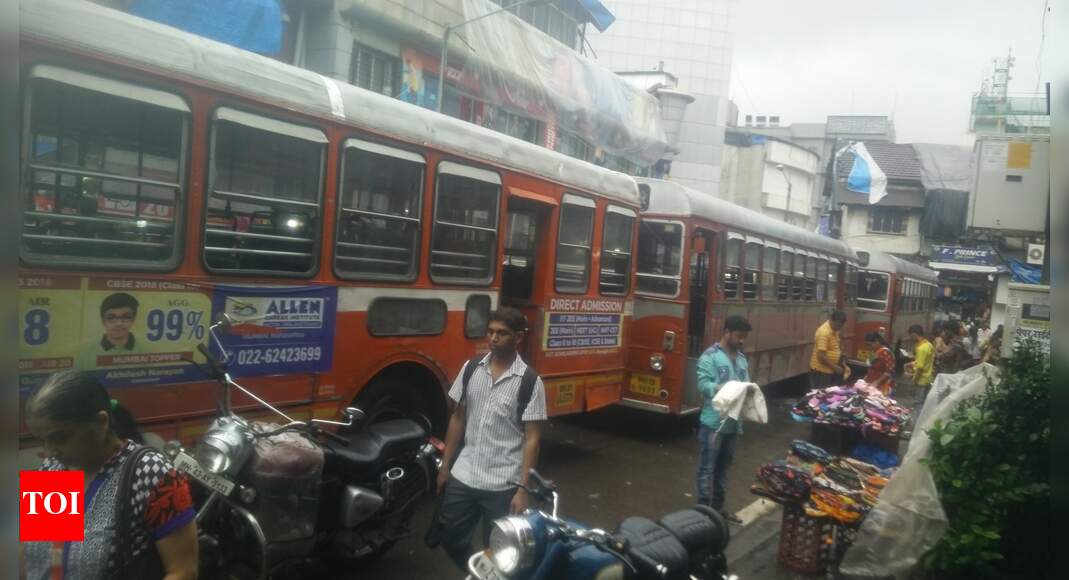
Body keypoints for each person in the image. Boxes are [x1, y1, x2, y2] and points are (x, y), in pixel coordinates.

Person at [20, 371, 198, 580]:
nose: (50, 451)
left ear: (101, 422)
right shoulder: (53, 471)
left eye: (60, 438)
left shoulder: (151, 474)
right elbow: (40, 558)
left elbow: (182, 572)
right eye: (42, 440)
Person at [434, 307, 547, 570]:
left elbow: (532, 440)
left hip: (503, 484)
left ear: (518, 338)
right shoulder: (472, 368)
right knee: (449, 535)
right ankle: (479, 573)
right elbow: (458, 418)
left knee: (499, 551)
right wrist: (445, 464)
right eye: (491, 332)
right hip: (465, 474)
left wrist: (523, 489)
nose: (494, 338)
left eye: (502, 334)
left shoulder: (530, 382)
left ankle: (490, 574)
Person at [696, 315, 752, 524]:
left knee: (723, 470)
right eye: (739, 336)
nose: (742, 341)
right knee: (706, 469)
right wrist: (720, 388)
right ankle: (702, 511)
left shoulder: (742, 359)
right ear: (727, 332)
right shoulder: (710, 356)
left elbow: (746, 384)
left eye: (745, 337)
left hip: (734, 425)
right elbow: (703, 385)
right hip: (713, 424)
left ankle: (718, 509)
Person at [78, 292, 141, 370]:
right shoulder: (86, 356)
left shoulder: (145, 352)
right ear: (103, 321)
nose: (119, 323)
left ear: (133, 320)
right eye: (111, 318)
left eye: (126, 317)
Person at [809, 310, 847, 388]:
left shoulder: (833, 329)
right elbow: (821, 356)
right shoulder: (824, 332)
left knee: (827, 393)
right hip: (820, 371)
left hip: (827, 370)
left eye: (841, 326)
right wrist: (835, 367)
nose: (839, 328)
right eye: (838, 326)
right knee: (820, 394)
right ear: (831, 320)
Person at [905, 324, 935, 405]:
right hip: (928, 378)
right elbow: (925, 361)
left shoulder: (921, 348)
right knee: (924, 402)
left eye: (911, 336)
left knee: (918, 403)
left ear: (914, 334)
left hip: (921, 380)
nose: (911, 338)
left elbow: (920, 368)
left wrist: (914, 380)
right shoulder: (928, 344)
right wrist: (911, 363)